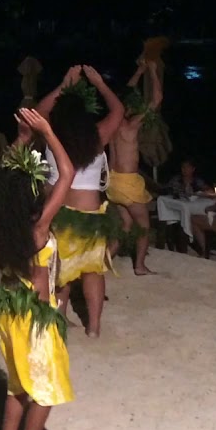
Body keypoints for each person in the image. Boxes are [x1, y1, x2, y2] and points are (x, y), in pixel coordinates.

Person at [0, 107, 75, 430]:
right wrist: (48, 133)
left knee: (18, 385)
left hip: (10, 313)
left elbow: (4, 178)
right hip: (35, 316)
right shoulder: (37, 228)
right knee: (46, 391)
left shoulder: (5, 222)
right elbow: (67, 173)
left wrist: (22, 138)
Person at [35, 64, 124, 338]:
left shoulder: (52, 137)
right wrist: (99, 82)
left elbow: (38, 112)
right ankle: (94, 329)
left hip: (59, 215)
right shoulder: (98, 136)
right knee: (93, 272)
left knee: (60, 274)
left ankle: (59, 324)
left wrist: (64, 83)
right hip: (91, 217)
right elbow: (118, 111)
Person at [106, 58, 163, 275]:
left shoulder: (111, 125)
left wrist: (139, 72)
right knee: (144, 227)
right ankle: (139, 266)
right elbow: (157, 99)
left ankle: (102, 263)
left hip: (114, 182)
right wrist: (154, 70)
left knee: (125, 227)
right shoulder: (130, 126)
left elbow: (126, 94)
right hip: (128, 184)